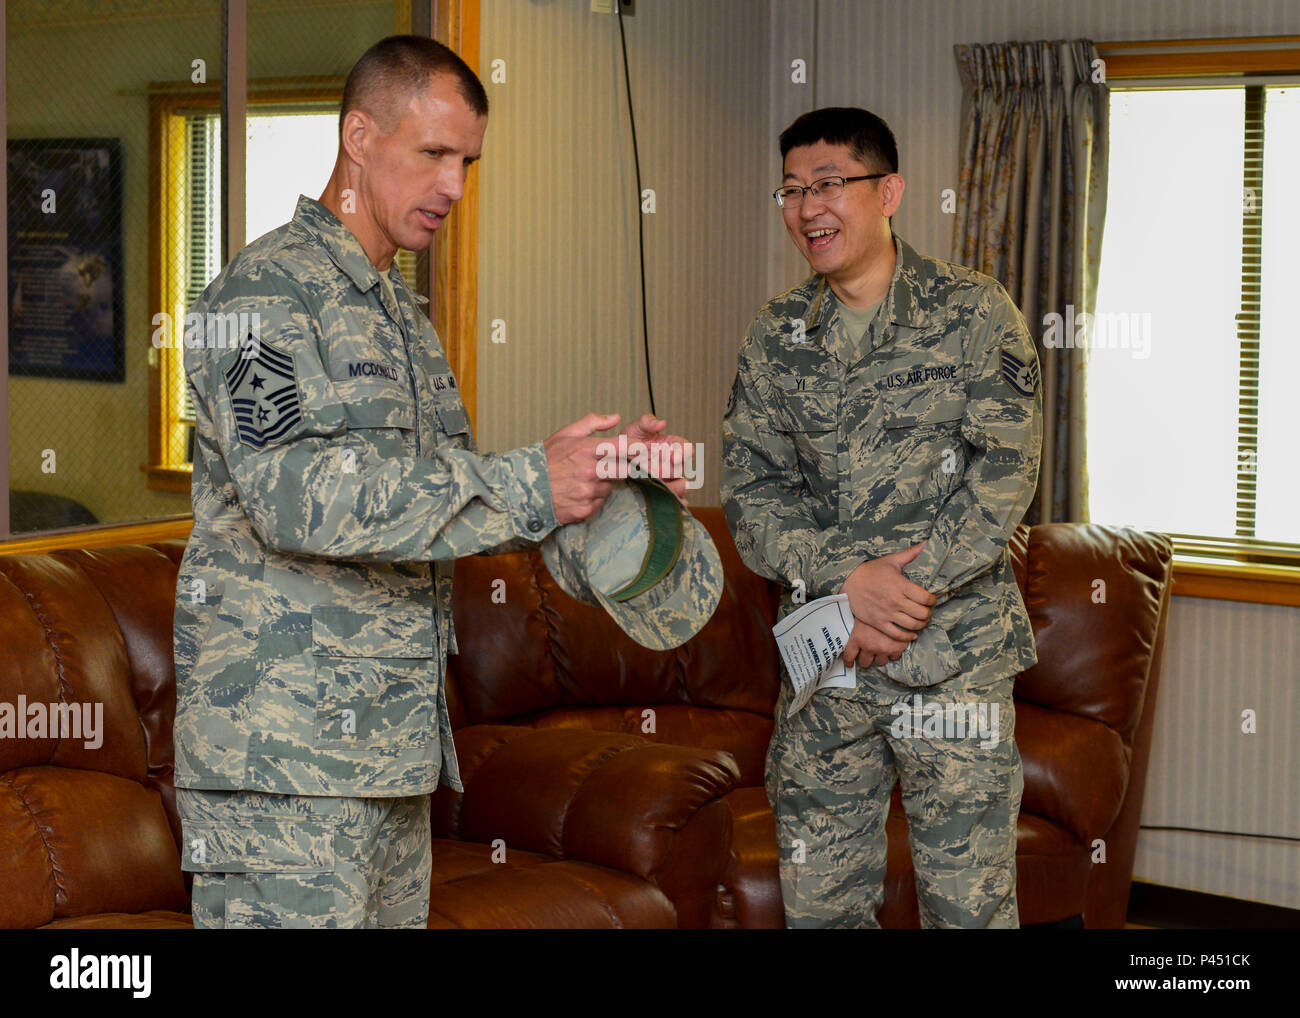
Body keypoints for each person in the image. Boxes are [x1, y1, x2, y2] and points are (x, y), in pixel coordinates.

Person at [173, 34, 685, 929]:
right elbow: (299, 497)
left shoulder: (398, 313)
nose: (454, 185)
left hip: (393, 761)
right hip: (285, 772)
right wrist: (531, 479)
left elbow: (432, 505)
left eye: (468, 161)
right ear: (359, 136)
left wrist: (596, 490)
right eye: (434, 154)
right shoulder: (262, 295)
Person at [721, 107, 1043, 928]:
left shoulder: (975, 314)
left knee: (967, 910)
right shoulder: (776, 337)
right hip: (828, 667)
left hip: (953, 663)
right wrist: (848, 585)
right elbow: (753, 493)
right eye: (792, 190)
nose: (807, 208)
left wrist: (907, 593)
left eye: (829, 184)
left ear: (888, 191)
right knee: (823, 910)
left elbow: (1005, 474)